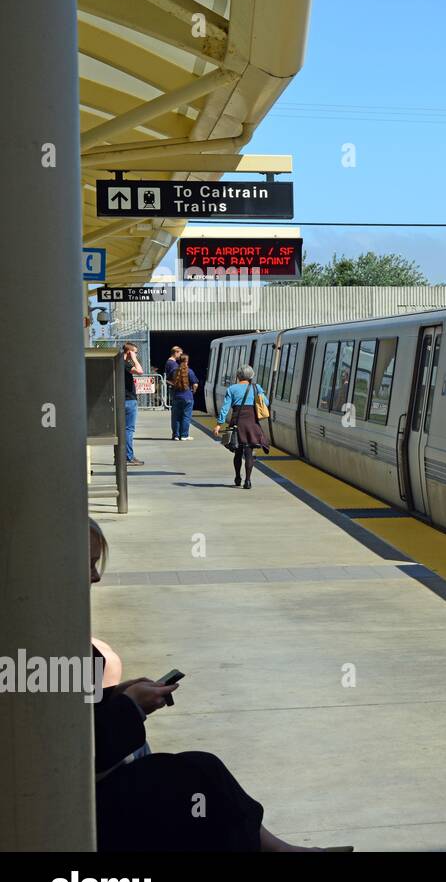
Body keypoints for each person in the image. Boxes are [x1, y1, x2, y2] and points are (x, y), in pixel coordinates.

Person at [88, 519, 340, 852]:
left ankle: (275, 850)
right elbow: (81, 745)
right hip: (79, 806)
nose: (96, 576)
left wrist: (118, 694)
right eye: (88, 564)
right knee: (197, 782)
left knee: (200, 771)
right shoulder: (45, 640)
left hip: (83, 794)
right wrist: (131, 706)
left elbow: (74, 716)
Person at [214, 365, 270, 489]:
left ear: (238, 376)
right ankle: (248, 481)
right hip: (251, 422)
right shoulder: (256, 387)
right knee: (249, 452)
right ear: (251, 376)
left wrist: (219, 424)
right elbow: (266, 403)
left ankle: (237, 477)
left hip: (237, 422)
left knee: (238, 452)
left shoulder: (232, 389)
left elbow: (225, 408)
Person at [121, 343, 144, 467]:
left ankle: (120, 456)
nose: (136, 355)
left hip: (121, 400)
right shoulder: (125, 364)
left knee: (121, 430)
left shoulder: (117, 362)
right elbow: (140, 371)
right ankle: (128, 457)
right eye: (135, 352)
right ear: (129, 352)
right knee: (129, 430)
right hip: (129, 400)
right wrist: (134, 359)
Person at [169, 355, 199, 440]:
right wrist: (194, 390)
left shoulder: (174, 371)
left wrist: (174, 385)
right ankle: (184, 435)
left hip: (176, 396)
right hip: (187, 397)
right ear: (187, 361)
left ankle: (176, 435)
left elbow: (168, 380)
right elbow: (195, 384)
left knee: (176, 417)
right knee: (186, 416)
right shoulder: (190, 371)